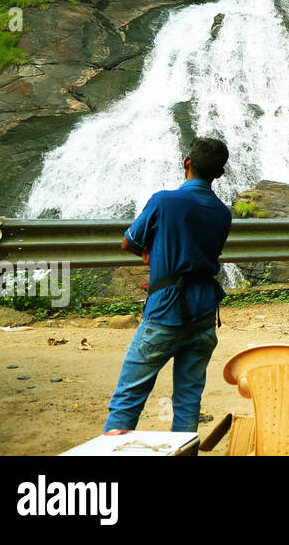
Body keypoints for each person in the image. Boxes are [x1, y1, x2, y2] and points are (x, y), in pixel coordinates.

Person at [105, 137, 232, 434]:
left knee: (128, 398)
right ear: (220, 174)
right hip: (203, 314)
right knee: (188, 400)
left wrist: (148, 253)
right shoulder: (223, 213)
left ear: (187, 163)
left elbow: (128, 242)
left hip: (165, 309)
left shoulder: (164, 201)